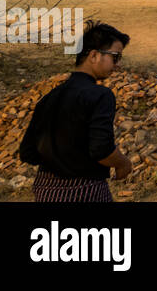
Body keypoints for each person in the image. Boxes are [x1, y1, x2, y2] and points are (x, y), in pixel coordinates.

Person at [19, 21, 133, 202]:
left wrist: (58, 161)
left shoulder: (49, 97)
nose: (117, 65)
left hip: (44, 191)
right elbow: (101, 150)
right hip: (84, 191)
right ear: (94, 55)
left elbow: (27, 152)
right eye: (115, 57)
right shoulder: (100, 95)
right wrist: (123, 163)